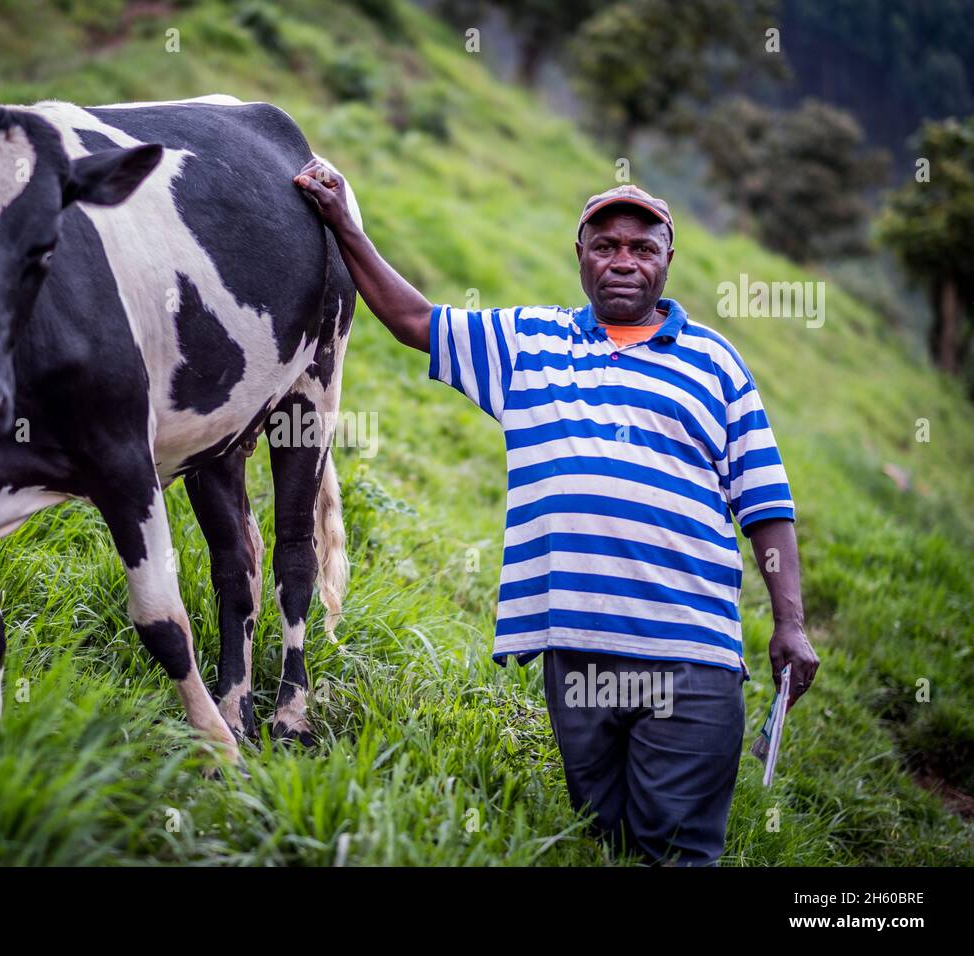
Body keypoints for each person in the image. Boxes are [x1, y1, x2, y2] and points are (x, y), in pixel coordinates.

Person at [293, 165, 820, 865]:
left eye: (642, 246)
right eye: (606, 245)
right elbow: (414, 320)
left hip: (690, 658)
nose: (623, 259)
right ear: (581, 256)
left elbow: (766, 503)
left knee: (677, 850)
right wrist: (342, 222)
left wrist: (791, 623)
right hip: (578, 653)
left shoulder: (715, 362)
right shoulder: (529, 344)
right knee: (601, 840)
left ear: (668, 259)